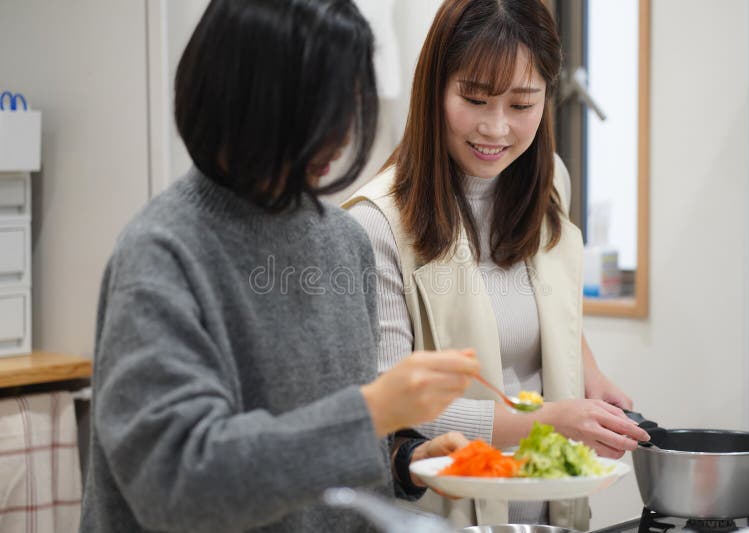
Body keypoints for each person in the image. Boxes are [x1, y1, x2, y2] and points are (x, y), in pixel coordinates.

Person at [78, 1, 481, 532]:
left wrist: (403, 460)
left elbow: (323, 454)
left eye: (346, 106)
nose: (337, 137)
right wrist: (372, 411)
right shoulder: (161, 254)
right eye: (316, 110)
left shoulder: (343, 242)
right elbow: (177, 487)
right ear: (240, 99)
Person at [345, 0, 650, 529]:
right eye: (475, 98)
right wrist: (546, 423)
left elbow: (542, 305)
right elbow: (392, 403)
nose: (496, 128)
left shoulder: (549, 181)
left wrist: (589, 373)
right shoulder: (376, 224)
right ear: (433, 89)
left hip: (549, 512)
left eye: (522, 103)